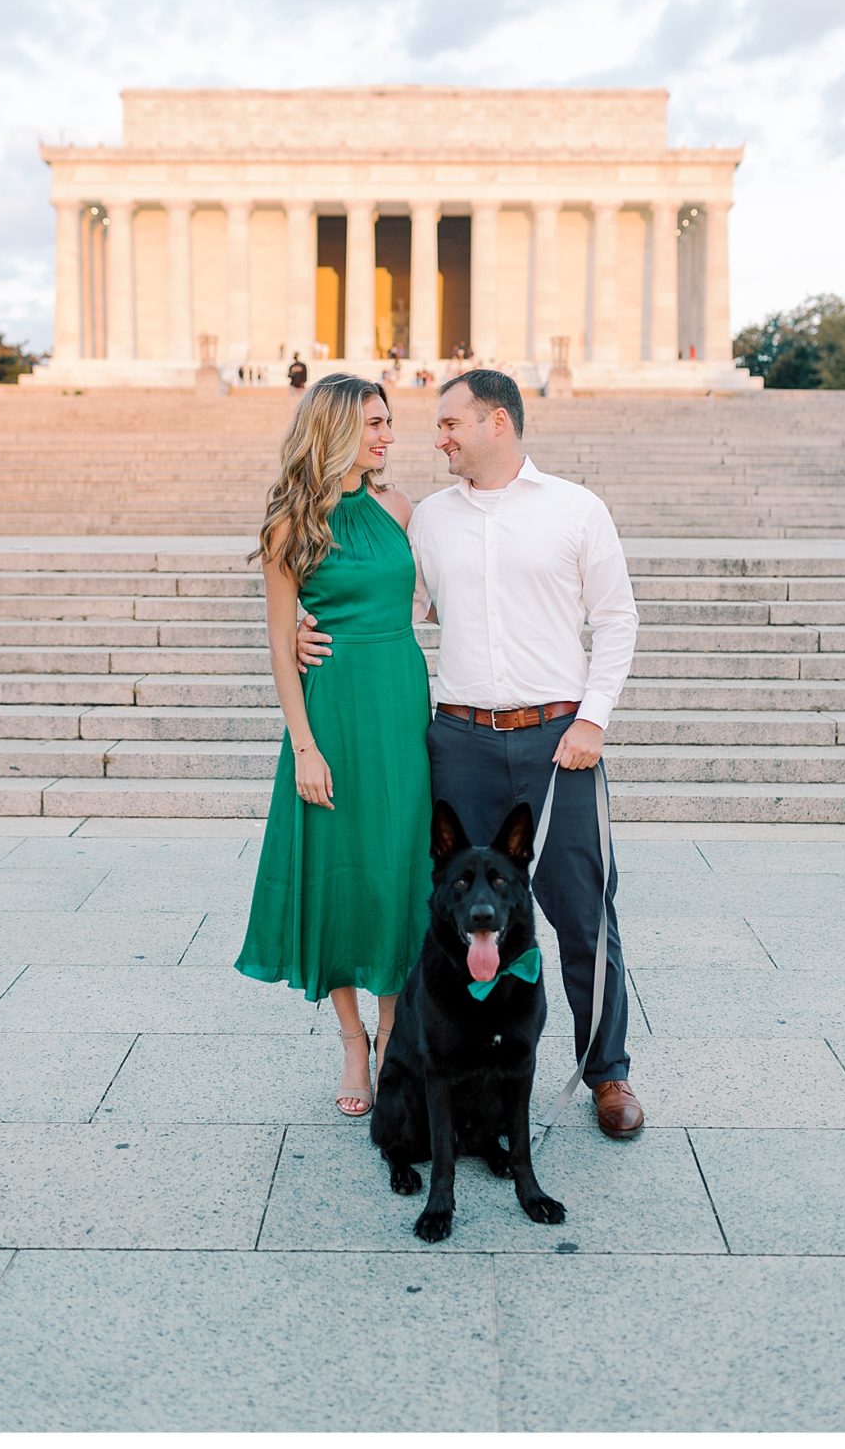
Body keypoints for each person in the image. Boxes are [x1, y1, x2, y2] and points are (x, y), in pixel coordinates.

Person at [298, 368, 643, 1137]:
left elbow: (618, 620)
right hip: (456, 743)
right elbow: (389, 605)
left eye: (450, 423)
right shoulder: (428, 521)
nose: (437, 437)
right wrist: (304, 625)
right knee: (452, 916)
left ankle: (608, 1075)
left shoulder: (575, 510)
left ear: (496, 423)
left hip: (560, 741)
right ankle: (442, 1064)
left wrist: (593, 721)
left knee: (584, 913)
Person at [236, 373, 430, 1117]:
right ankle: (353, 1039)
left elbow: (438, 595)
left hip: (400, 701)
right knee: (341, 873)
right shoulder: (291, 522)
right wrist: (305, 747)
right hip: (333, 710)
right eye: (372, 423)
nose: (386, 435)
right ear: (334, 428)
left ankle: (391, 1032)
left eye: (388, 422)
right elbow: (282, 648)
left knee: (395, 867)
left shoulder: (401, 508)